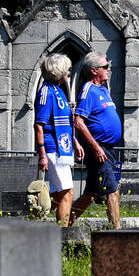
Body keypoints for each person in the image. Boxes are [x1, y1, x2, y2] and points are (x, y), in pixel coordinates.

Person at [70, 51, 123, 230]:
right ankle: (118, 235)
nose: (109, 69)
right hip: (100, 151)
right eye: (105, 66)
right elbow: (78, 122)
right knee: (112, 191)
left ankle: (63, 225)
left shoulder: (103, 90)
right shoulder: (88, 90)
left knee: (89, 195)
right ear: (94, 71)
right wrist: (96, 148)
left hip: (108, 149)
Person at [34, 54, 83, 224]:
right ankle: (62, 235)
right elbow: (39, 125)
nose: (69, 73)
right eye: (67, 69)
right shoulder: (46, 92)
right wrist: (42, 155)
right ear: (59, 71)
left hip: (63, 148)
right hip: (53, 149)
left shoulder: (58, 90)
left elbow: (66, 123)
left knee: (57, 194)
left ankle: (34, 220)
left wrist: (75, 142)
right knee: (68, 193)